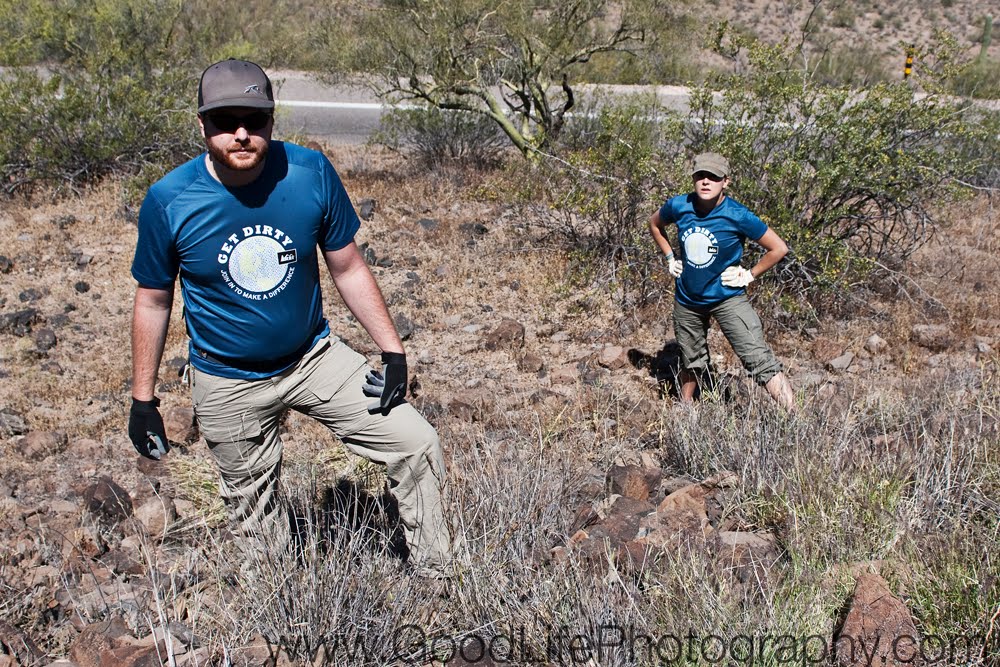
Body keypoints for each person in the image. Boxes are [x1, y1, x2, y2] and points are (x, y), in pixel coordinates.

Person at [126, 58, 452, 574]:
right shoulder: (169, 200)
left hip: (312, 357)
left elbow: (347, 266)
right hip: (227, 379)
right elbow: (153, 300)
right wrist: (143, 400)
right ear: (202, 125)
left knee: (416, 442)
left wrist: (393, 351)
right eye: (225, 121)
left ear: (271, 121)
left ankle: (439, 572)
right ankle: (279, 604)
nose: (241, 134)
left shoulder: (309, 173)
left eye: (254, 120)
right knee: (259, 534)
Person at [649, 152, 795, 411]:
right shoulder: (679, 206)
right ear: (693, 179)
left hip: (728, 297)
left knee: (757, 358)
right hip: (688, 298)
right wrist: (670, 257)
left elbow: (778, 248)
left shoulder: (737, 214)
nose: (706, 182)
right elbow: (654, 224)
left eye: (714, 177)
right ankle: (685, 408)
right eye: (700, 176)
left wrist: (749, 274)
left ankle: (794, 417)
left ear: (725, 181)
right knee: (691, 357)